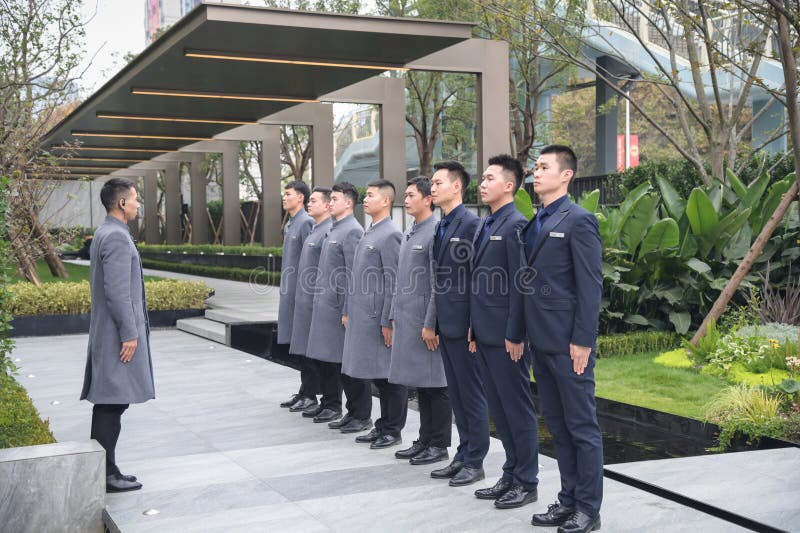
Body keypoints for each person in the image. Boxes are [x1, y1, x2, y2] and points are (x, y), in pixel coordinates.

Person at [517, 145, 603, 533]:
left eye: (544, 167)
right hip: (540, 342)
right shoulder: (535, 222)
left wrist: (583, 340)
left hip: (570, 345)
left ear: (566, 175)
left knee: (581, 428)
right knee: (557, 425)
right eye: (535, 166)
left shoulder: (578, 220)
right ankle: (567, 500)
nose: (536, 172)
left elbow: (590, 286)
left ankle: (588, 509)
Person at [469, 154, 539, 510]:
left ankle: (527, 481)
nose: (482, 183)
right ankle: (510, 474)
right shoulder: (488, 223)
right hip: (484, 333)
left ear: (509, 185)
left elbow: (520, 285)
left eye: (490, 178)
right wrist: (473, 328)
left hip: (507, 338)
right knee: (499, 407)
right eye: (482, 178)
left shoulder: (515, 224)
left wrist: (516, 334)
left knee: (517, 409)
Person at [80, 177, 154, 493]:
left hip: (109, 332)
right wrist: (129, 333)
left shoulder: (106, 233)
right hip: (116, 335)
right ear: (122, 203)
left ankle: (108, 468)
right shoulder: (116, 238)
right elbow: (117, 292)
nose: (138, 204)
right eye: (135, 199)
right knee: (111, 403)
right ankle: (105, 473)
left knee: (113, 401)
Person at [428, 161, 488, 486]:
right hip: (447, 324)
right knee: (457, 394)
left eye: (438, 183)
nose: (432, 188)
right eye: (432, 183)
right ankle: (463, 454)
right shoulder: (442, 225)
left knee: (472, 393)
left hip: (465, 327)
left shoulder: (470, 225)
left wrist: (473, 324)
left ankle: (475, 460)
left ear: (456, 187)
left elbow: (477, 279)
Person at [388, 176, 450, 466]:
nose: (407, 199)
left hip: (425, 324)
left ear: (428, 199)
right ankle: (425, 439)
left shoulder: (435, 232)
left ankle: (438, 444)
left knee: (436, 385)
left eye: (412, 195)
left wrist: (431, 323)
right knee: (421, 384)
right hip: (408, 319)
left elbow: (439, 282)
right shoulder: (411, 231)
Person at [341, 180, 404, 447]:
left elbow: (395, 281)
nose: (364, 200)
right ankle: (382, 425)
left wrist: (389, 320)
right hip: (363, 316)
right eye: (365, 195)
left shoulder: (390, 234)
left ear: (386, 201)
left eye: (370, 195)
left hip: (379, 318)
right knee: (377, 373)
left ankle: (392, 428)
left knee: (389, 376)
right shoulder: (370, 232)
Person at [305, 182, 368, 429]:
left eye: (335, 199)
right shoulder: (335, 228)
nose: (330, 203)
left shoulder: (352, 230)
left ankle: (360, 415)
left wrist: (347, 309)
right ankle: (342, 408)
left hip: (340, 309)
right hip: (327, 306)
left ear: (349, 203)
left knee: (349, 362)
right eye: (329, 199)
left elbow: (353, 274)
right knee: (332, 360)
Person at [289, 187, 334, 419]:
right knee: (306, 350)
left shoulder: (326, 230)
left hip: (320, 302)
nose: (310, 204)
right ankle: (311, 394)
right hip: (306, 299)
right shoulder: (316, 228)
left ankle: (322, 399)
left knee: (319, 354)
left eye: (314, 200)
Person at [277, 181, 318, 413]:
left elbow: (310, 262)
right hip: (291, 293)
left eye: (288, 194)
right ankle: (305, 391)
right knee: (297, 342)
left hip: (302, 294)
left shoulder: (306, 223)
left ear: (300, 198)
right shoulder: (291, 223)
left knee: (304, 344)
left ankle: (310, 394)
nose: (284, 198)